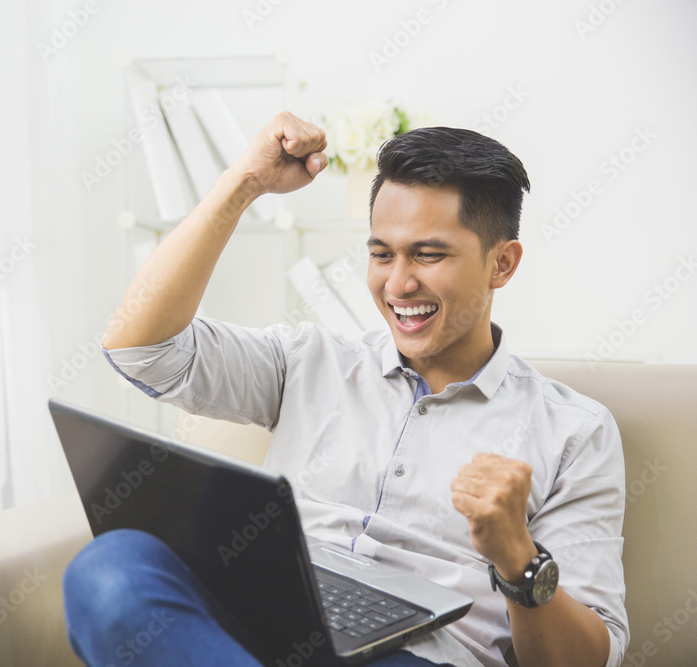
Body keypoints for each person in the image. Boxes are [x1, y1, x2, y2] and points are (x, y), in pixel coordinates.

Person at [63, 112, 628, 666]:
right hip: (261, 619)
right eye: (382, 254)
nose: (398, 283)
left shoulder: (574, 431)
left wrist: (517, 561)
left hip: (420, 657)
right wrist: (246, 184)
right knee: (109, 569)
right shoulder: (311, 360)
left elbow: (584, 661)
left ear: (501, 264)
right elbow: (142, 350)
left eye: (428, 255)